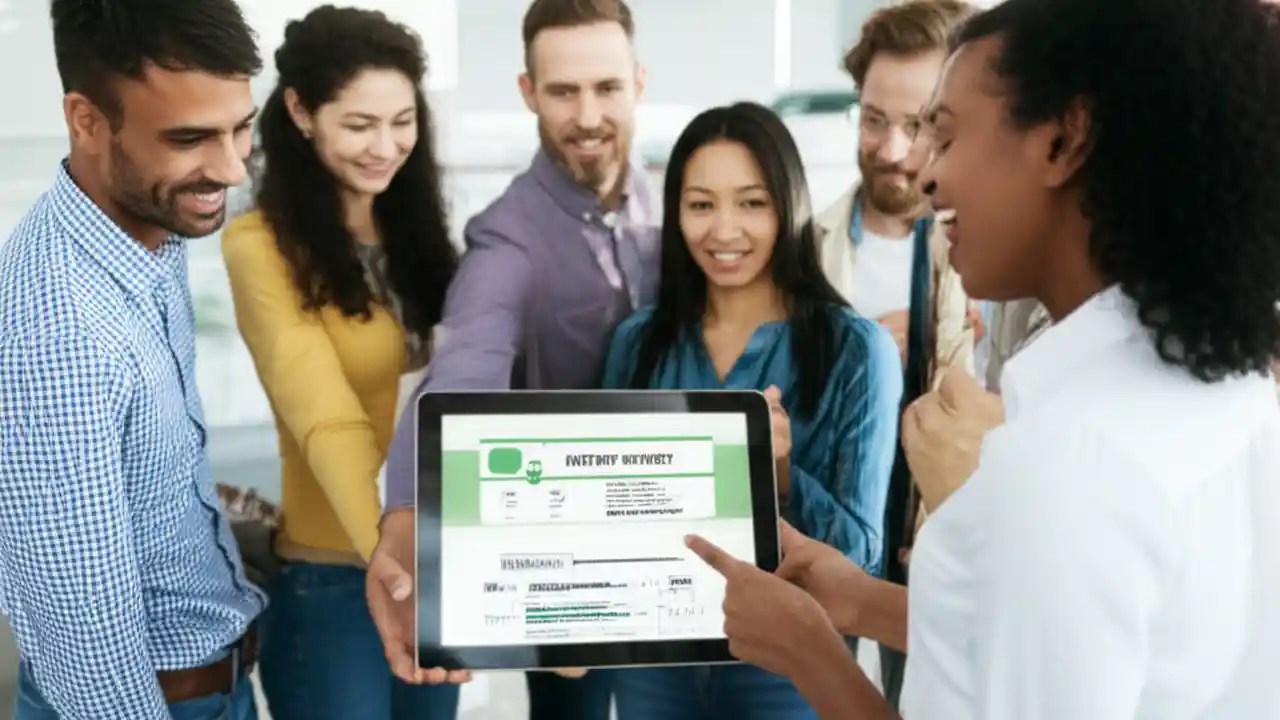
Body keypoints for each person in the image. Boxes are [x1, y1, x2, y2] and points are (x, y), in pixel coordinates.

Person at [682, 0, 1280, 717]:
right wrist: (859, 600)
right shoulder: (1225, 391)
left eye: (946, 134)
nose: (928, 176)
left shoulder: (1064, 469)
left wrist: (809, 652)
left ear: (1062, 142)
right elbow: (1089, 646)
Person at [365, 1, 659, 717]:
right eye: (563, 91)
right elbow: (464, 365)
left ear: (638, 83)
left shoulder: (679, 205)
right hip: (565, 575)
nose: (588, 115)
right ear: (528, 92)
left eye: (606, 88)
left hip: (674, 552)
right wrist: (405, 518)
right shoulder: (508, 238)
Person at [0, 1, 266, 718]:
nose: (231, 167)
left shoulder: (145, 230)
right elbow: (83, 643)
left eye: (241, 127)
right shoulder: (59, 331)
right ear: (86, 120)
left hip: (212, 685)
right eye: (190, 138)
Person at [600, 101, 902, 720]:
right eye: (701, 204)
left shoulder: (855, 349)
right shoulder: (638, 341)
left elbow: (863, 559)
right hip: (652, 662)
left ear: (788, 205)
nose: (724, 230)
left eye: (752, 203)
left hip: (789, 670)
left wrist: (780, 473)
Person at [220, 6, 459, 719]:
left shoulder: (418, 233)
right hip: (333, 578)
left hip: (431, 569)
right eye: (359, 125)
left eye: (402, 121)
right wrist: (393, 553)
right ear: (299, 110)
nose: (386, 146)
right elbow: (325, 417)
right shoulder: (259, 245)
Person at [816, 2, 975, 700]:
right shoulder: (804, 246)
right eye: (874, 119)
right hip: (832, 543)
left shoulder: (991, 260)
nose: (891, 150)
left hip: (943, 555)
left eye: (916, 126)